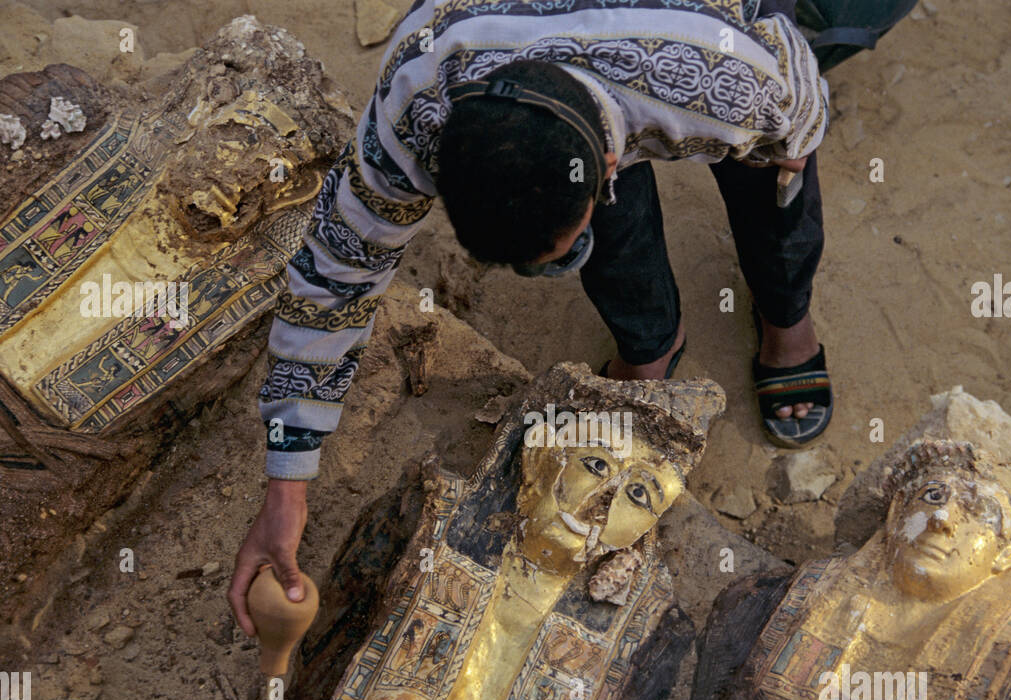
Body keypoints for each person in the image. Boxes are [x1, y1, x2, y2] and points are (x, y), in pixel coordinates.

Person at [230, 0, 841, 635]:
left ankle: (786, 319)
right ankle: (652, 340)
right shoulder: (413, 101)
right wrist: (286, 485)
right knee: (607, 230)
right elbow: (331, 284)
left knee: (774, 181)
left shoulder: (729, 77)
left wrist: (786, 143)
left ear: (609, 160)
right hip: (591, 112)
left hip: (687, 54)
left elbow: (802, 102)